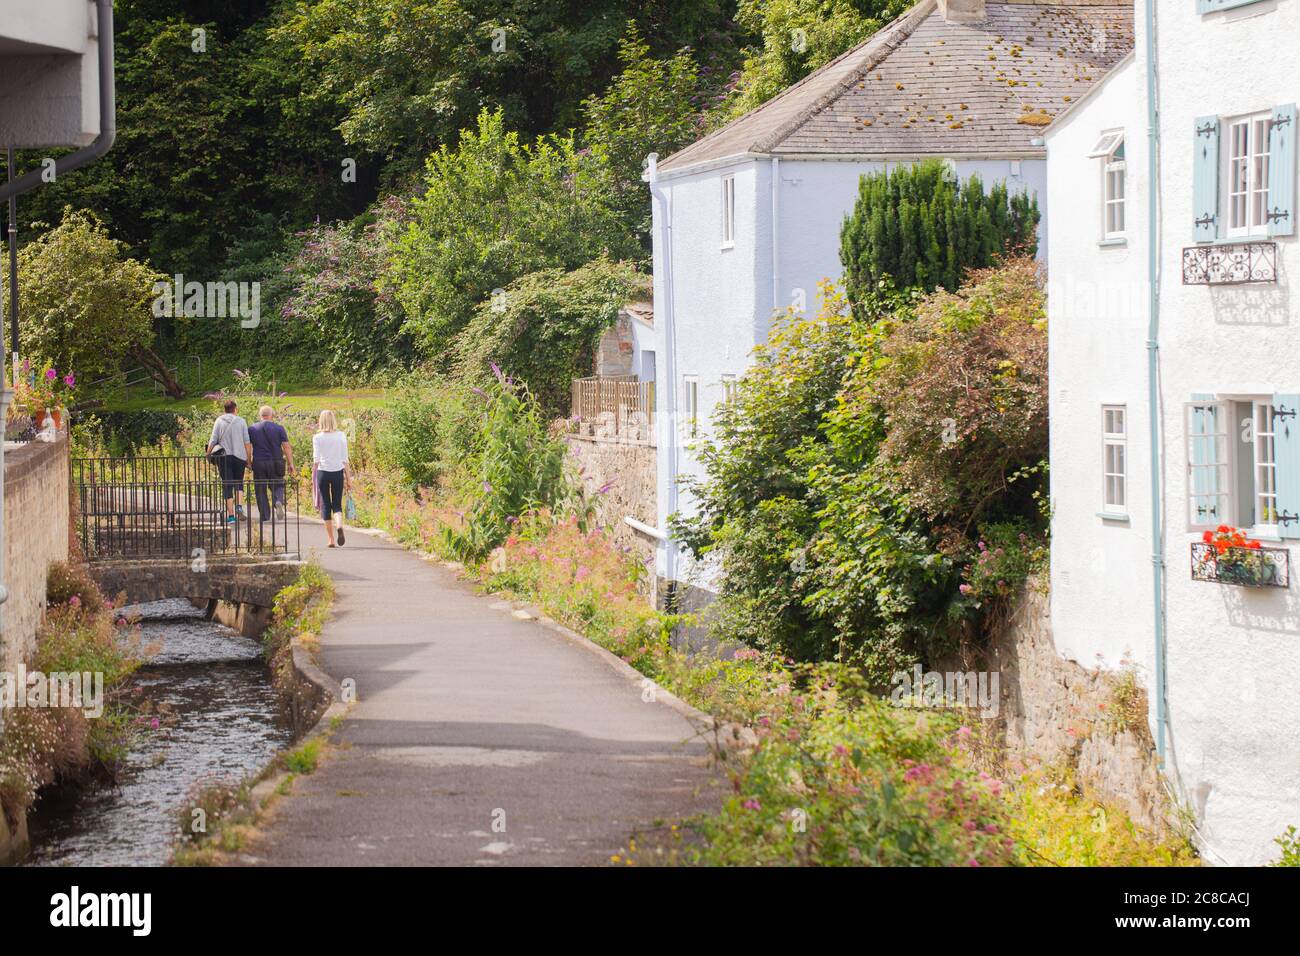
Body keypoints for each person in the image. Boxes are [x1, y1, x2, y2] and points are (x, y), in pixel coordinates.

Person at [207, 399, 253, 524]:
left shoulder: (219, 421)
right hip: (239, 457)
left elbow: (213, 439)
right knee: (239, 482)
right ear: (235, 409)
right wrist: (248, 460)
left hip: (224, 457)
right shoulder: (241, 421)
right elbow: (247, 442)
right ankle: (239, 507)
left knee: (227, 485)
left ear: (224, 410)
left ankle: (231, 516)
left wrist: (208, 454)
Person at [312, 409, 350, 548]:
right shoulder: (341, 435)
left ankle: (331, 540)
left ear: (320, 421)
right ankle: (339, 526)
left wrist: (313, 476)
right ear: (333, 420)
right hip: (337, 472)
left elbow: (316, 459)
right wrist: (349, 479)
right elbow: (345, 459)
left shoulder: (317, 438)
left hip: (323, 472)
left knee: (325, 505)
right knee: (337, 504)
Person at [249, 405, 294, 523]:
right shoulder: (279, 428)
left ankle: (265, 515)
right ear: (272, 415)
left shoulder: (253, 429)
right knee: (278, 484)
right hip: (276, 461)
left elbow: (248, 447)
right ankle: (277, 500)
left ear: (260, 415)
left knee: (260, 488)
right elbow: (286, 447)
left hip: (259, 462)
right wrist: (291, 464)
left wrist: (248, 461)